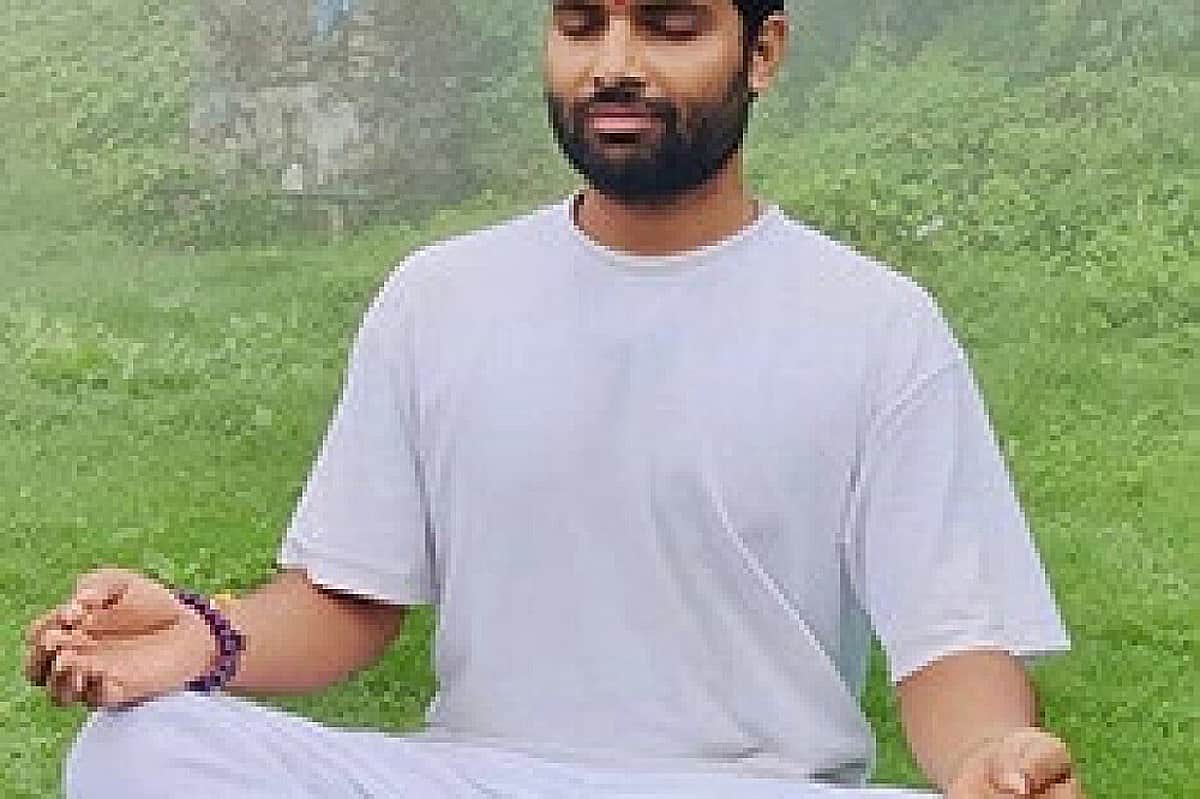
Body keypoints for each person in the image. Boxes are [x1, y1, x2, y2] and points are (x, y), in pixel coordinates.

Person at [23, 1, 1085, 796]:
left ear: (763, 52)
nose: (613, 64)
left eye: (669, 27)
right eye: (581, 26)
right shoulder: (440, 297)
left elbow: (954, 641)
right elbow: (349, 599)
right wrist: (204, 636)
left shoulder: (876, 325)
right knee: (140, 750)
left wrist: (992, 757)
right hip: (481, 774)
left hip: (751, 787)